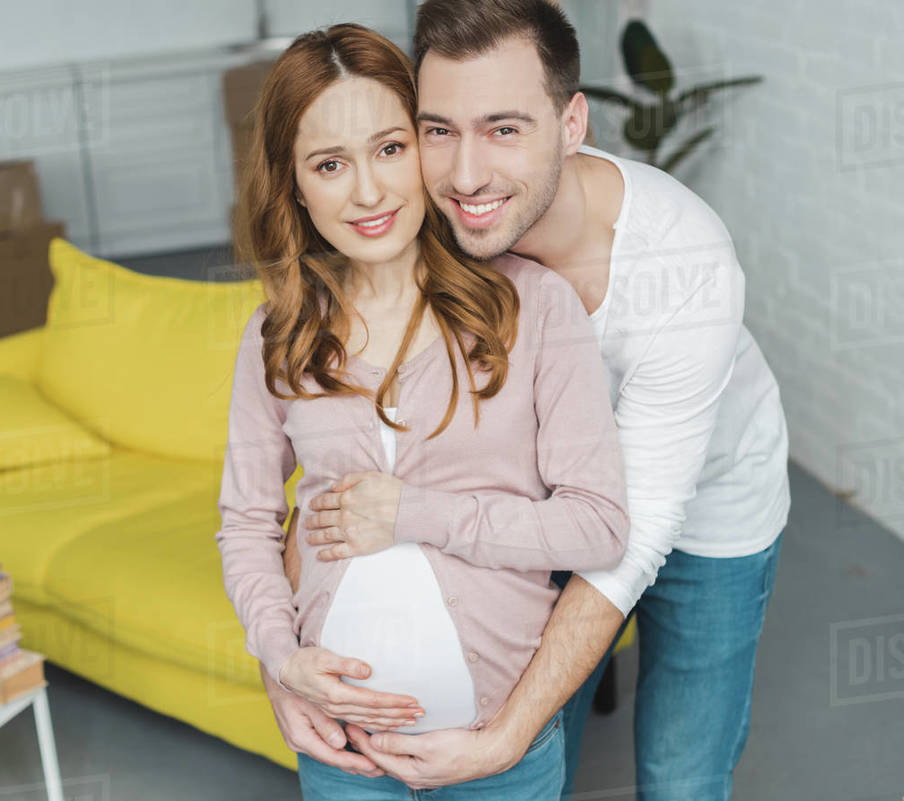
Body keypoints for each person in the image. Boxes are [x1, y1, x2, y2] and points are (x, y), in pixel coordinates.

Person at [271, 2, 791, 799]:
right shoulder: (431, 223)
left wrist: (507, 739)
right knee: (542, 739)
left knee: (679, 772)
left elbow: (633, 536)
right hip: (548, 502)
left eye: (504, 129)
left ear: (572, 123)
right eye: (439, 130)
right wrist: (282, 665)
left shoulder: (686, 266)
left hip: (708, 508)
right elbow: (326, 457)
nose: (466, 175)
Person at [213, 22, 631, 800]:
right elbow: (245, 522)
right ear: (294, 184)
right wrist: (281, 654)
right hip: (342, 755)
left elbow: (597, 526)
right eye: (329, 164)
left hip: (499, 756)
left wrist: (415, 513)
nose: (368, 192)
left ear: (426, 148)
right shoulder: (278, 335)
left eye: (389, 148)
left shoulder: (535, 308)